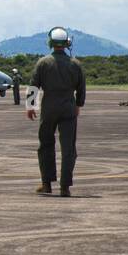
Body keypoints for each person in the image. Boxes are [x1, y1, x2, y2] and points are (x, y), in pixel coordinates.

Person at [27, 27, 86, 197]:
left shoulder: (43, 63)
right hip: (68, 106)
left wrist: (30, 106)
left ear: (50, 43)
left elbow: (33, 85)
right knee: (68, 148)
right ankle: (65, 187)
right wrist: (78, 105)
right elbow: (81, 88)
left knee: (45, 144)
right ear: (67, 43)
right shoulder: (75, 64)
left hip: (49, 107)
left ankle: (46, 184)